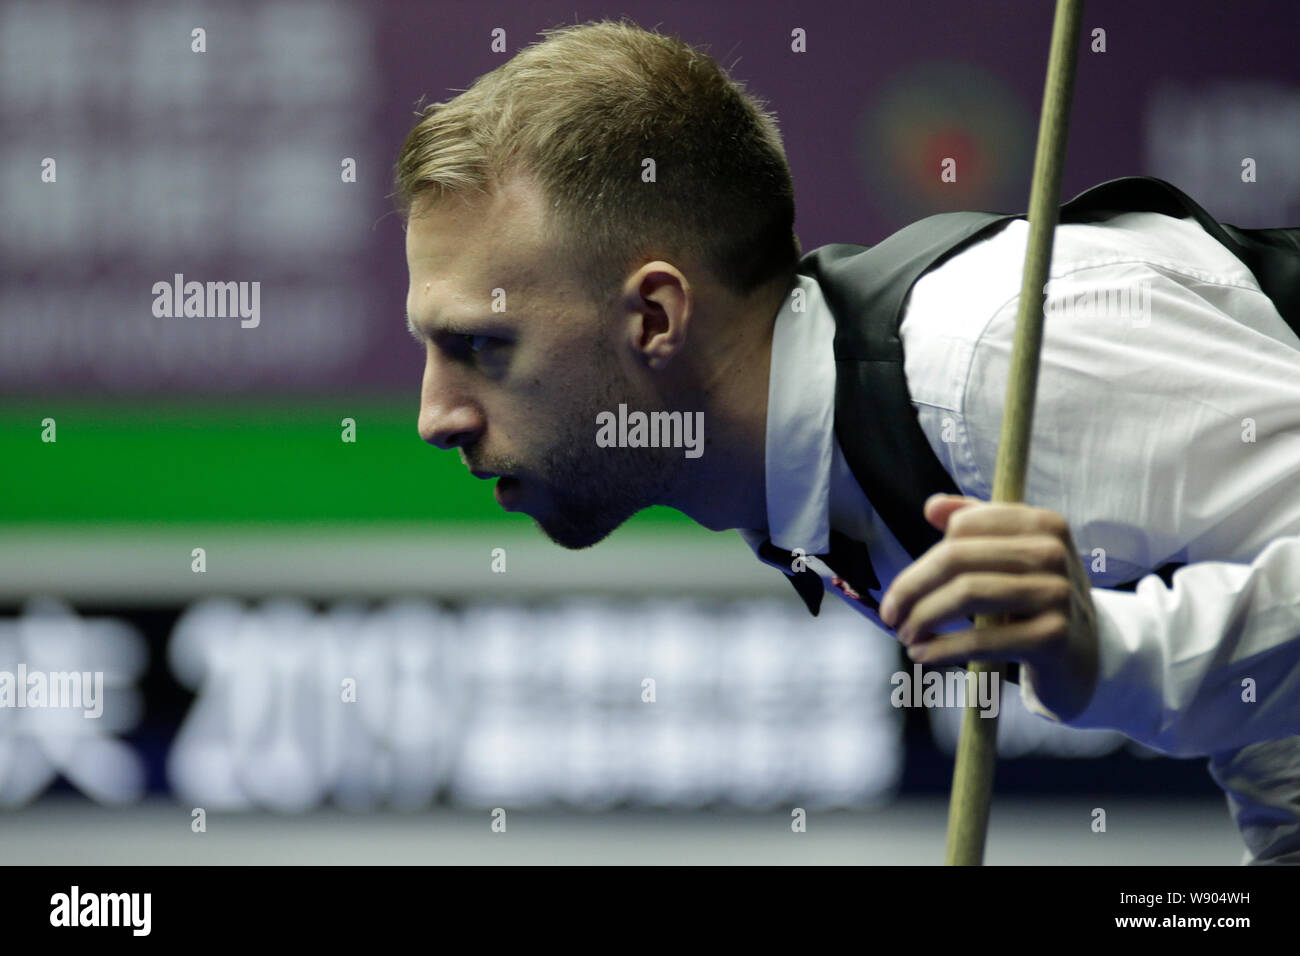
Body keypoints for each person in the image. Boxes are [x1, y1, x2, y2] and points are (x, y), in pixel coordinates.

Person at [394, 19, 1300, 862]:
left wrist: (1109, 652)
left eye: (480, 345)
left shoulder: (986, 359)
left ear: (657, 316)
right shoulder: (816, 481)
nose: (437, 416)